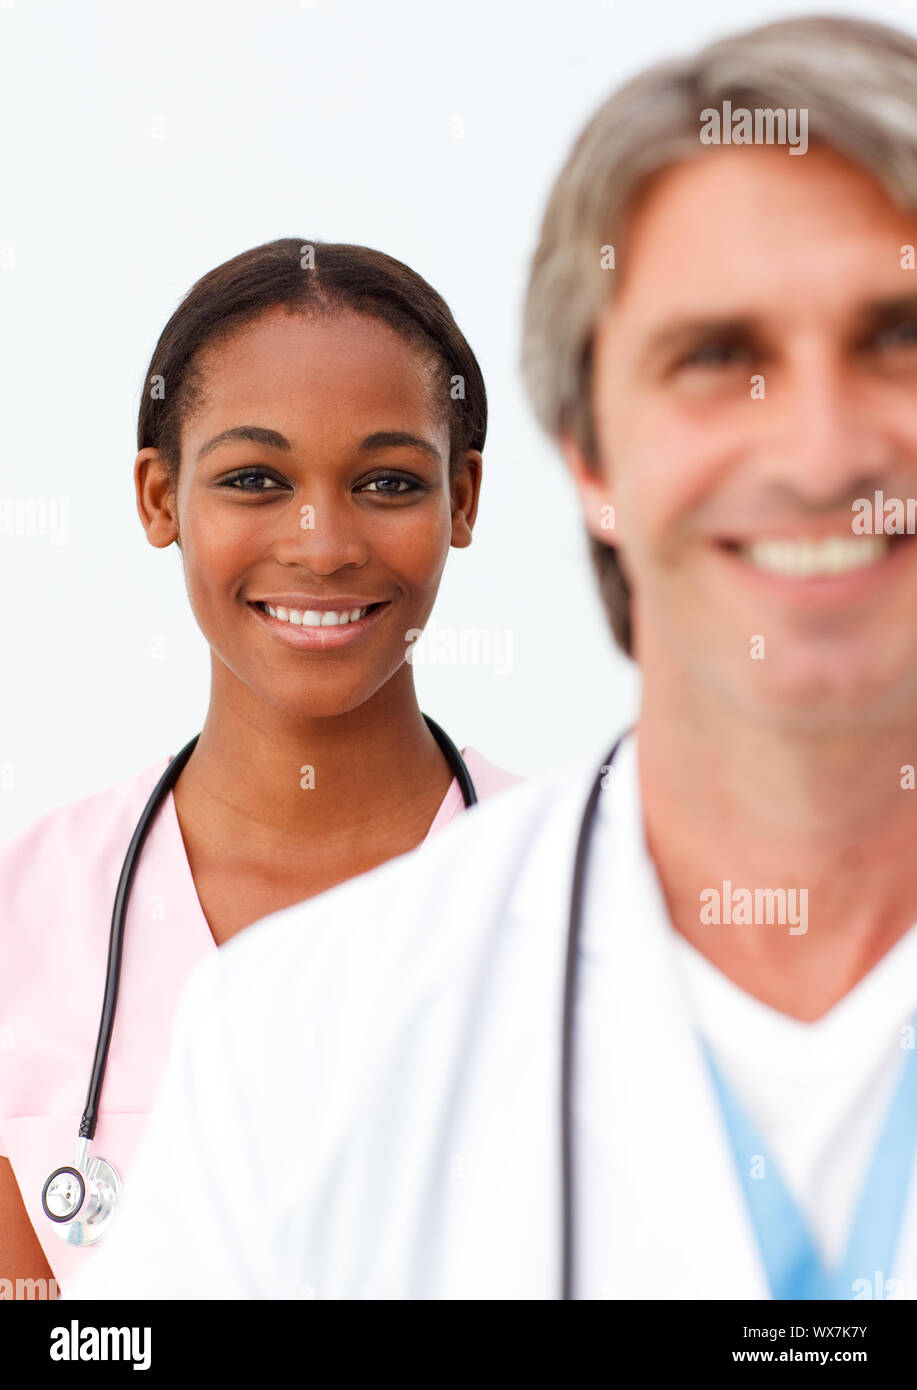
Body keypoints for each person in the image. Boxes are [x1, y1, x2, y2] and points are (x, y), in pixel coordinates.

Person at [70, 12, 917, 1300]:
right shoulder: (293, 1042)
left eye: (897, 338)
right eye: (716, 357)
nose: (817, 450)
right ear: (589, 457)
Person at [0, 238, 522, 1293]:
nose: (322, 543)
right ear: (159, 499)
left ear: (461, 500)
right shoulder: (27, 921)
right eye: (253, 478)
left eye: (387, 481)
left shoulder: (587, 900)